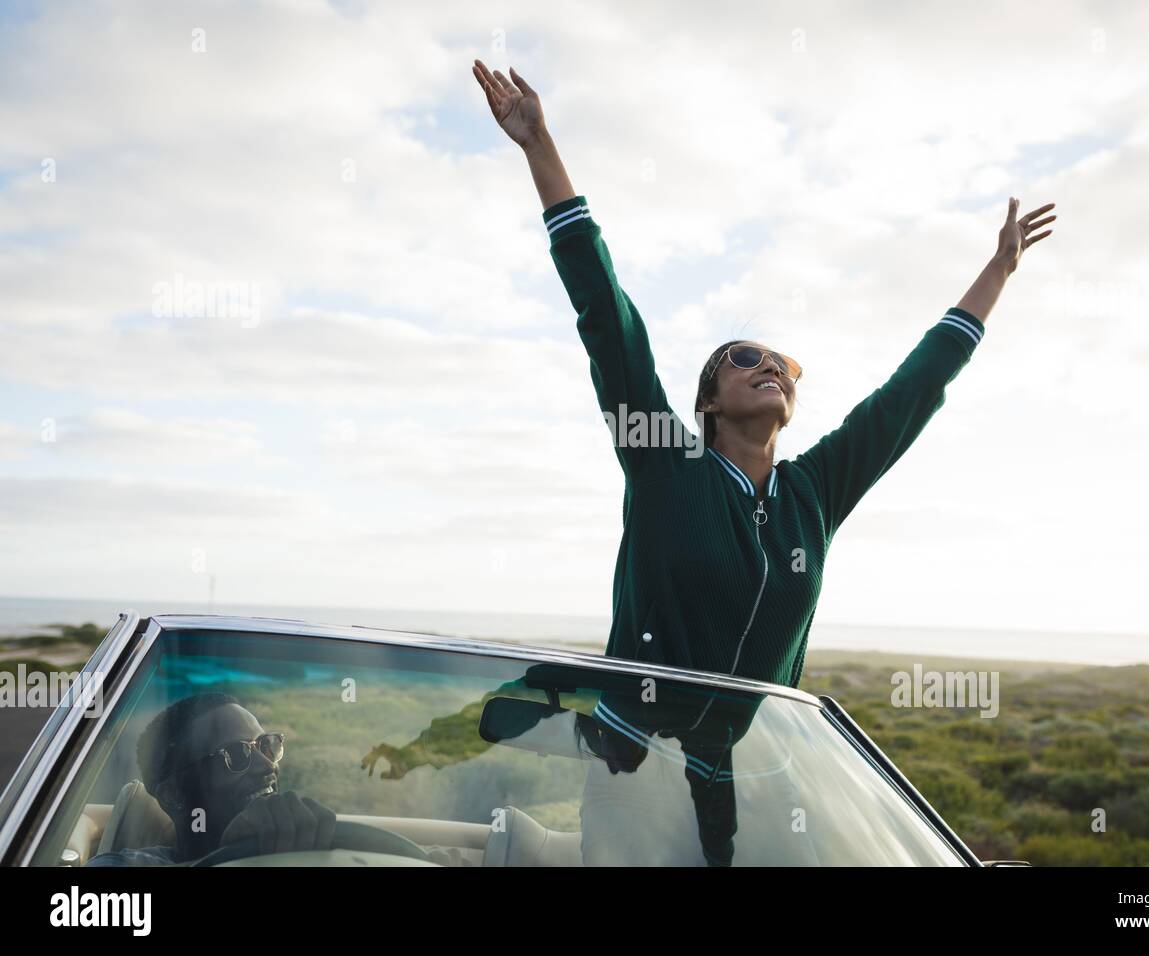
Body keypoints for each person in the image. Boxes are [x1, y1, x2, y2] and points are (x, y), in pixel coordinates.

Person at [469, 61, 1056, 865]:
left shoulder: (813, 492)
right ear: (707, 401)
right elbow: (608, 316)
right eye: (745, 357)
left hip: (742, 787)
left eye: (781, 362)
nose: (769, 365)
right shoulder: (665, 464)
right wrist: (540, 146)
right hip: (632, 777)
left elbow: (912, 391)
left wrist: (998, 271)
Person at [87, 692, 335, 866]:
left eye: (266, 745)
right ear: (174, 794)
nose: (268, 764)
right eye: (237, 753)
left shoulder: (316, 846)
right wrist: (226, 857)